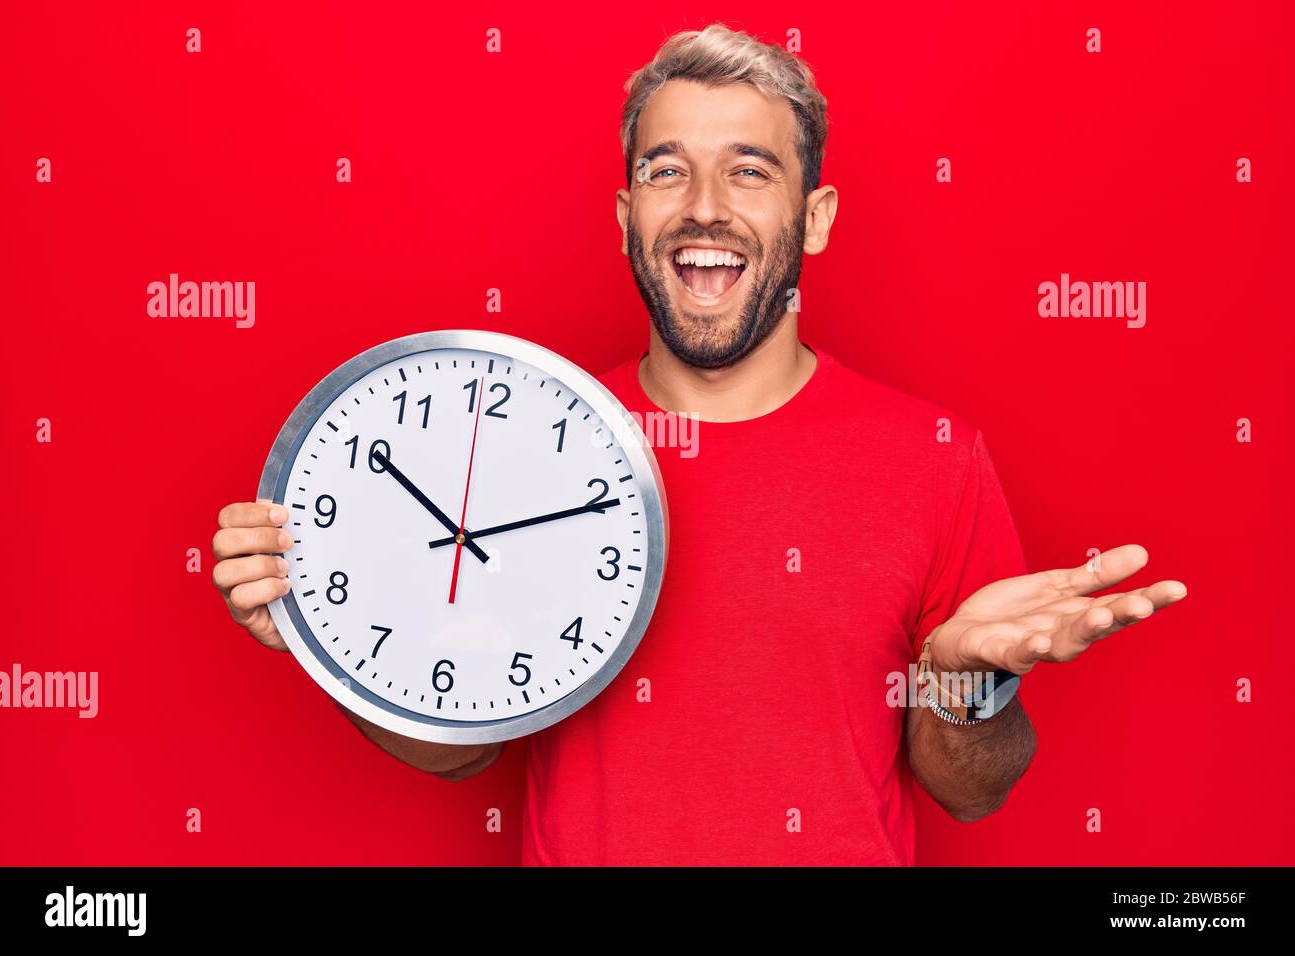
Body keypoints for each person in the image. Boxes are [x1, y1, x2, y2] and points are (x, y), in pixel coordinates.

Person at [212, 23, 1187, 865]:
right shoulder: (511, 444)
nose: (704, 206)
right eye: (664, 169)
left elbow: (969, 789)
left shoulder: (934, 455)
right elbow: (458, 748)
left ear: (814, 220)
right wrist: (325, 643)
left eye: (749, 170)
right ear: (626, 215)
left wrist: (966, 685)